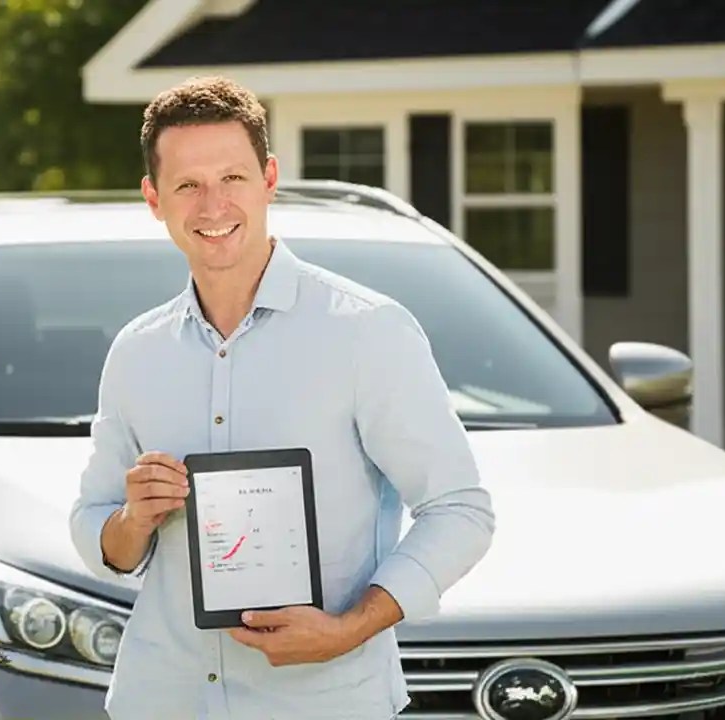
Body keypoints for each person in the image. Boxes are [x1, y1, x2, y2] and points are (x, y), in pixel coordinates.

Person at [68, 76, 496, 720]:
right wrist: (132, 522)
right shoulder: (136, 351)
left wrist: (352, 627)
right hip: (163, 700)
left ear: (269, 178)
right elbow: (95, 529)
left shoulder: (364, 331)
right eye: (188, 185)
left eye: (232, 178)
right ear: (154, 199)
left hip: (323, 705)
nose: (213, 206)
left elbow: (460, 511)